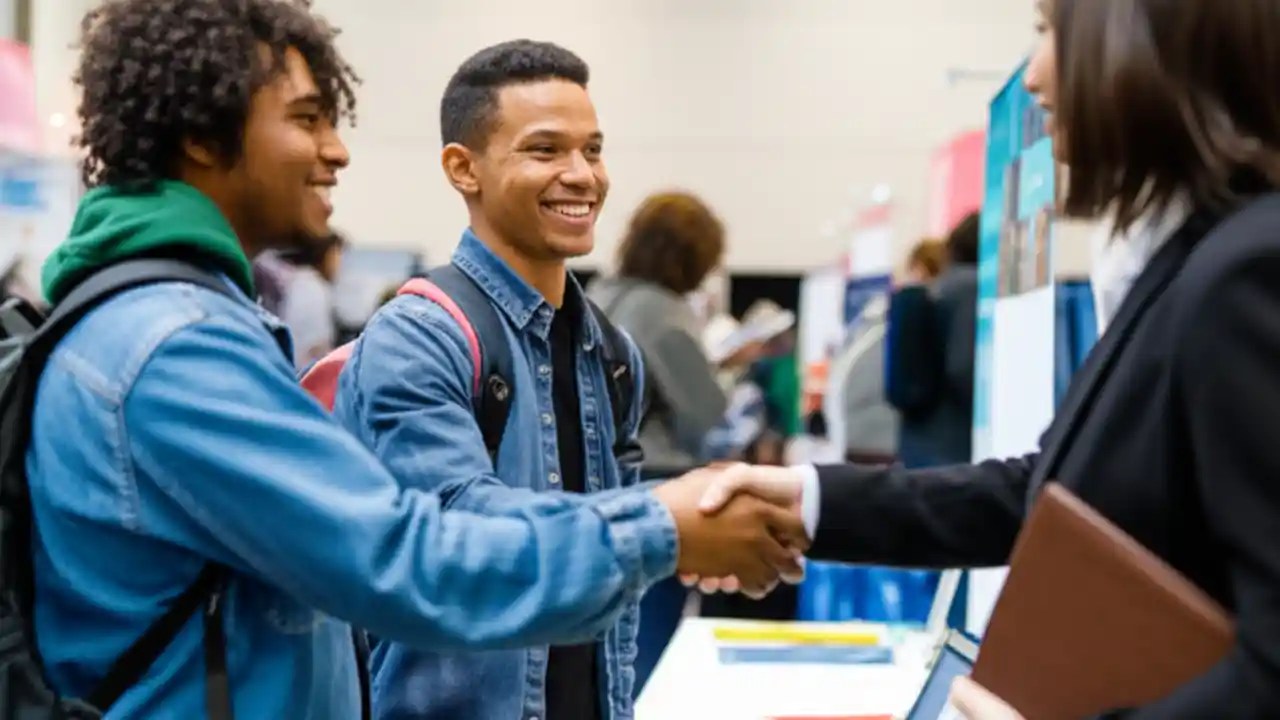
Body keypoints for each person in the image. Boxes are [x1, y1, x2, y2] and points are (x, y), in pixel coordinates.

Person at [25, 4, 804, 718]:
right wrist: (659, 531)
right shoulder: (178, 349)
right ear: (200, 134)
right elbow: (409, 559)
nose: (336, 150)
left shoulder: (171, 321)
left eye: (591, 149)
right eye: (306, 119)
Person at [699, 0, 1280, 715]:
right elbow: (1046, 494)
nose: (1032, 78)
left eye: (1048, 34)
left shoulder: (1248, 271)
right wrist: (812, 500)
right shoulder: (1183, 260)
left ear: (1144, 44)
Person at [330, 41, 794, 720]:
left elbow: (616, 591)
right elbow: (458, 539)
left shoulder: (612, 353)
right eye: (545, 151)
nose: (582, 175)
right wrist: (668, 523)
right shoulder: (419, 338)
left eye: (594, 149)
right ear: (464, 169)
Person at [887, 217, 978, 469]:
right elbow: (963, 368)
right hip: (954, 447)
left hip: (918, 444)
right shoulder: (969, 289)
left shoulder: (935, 291)